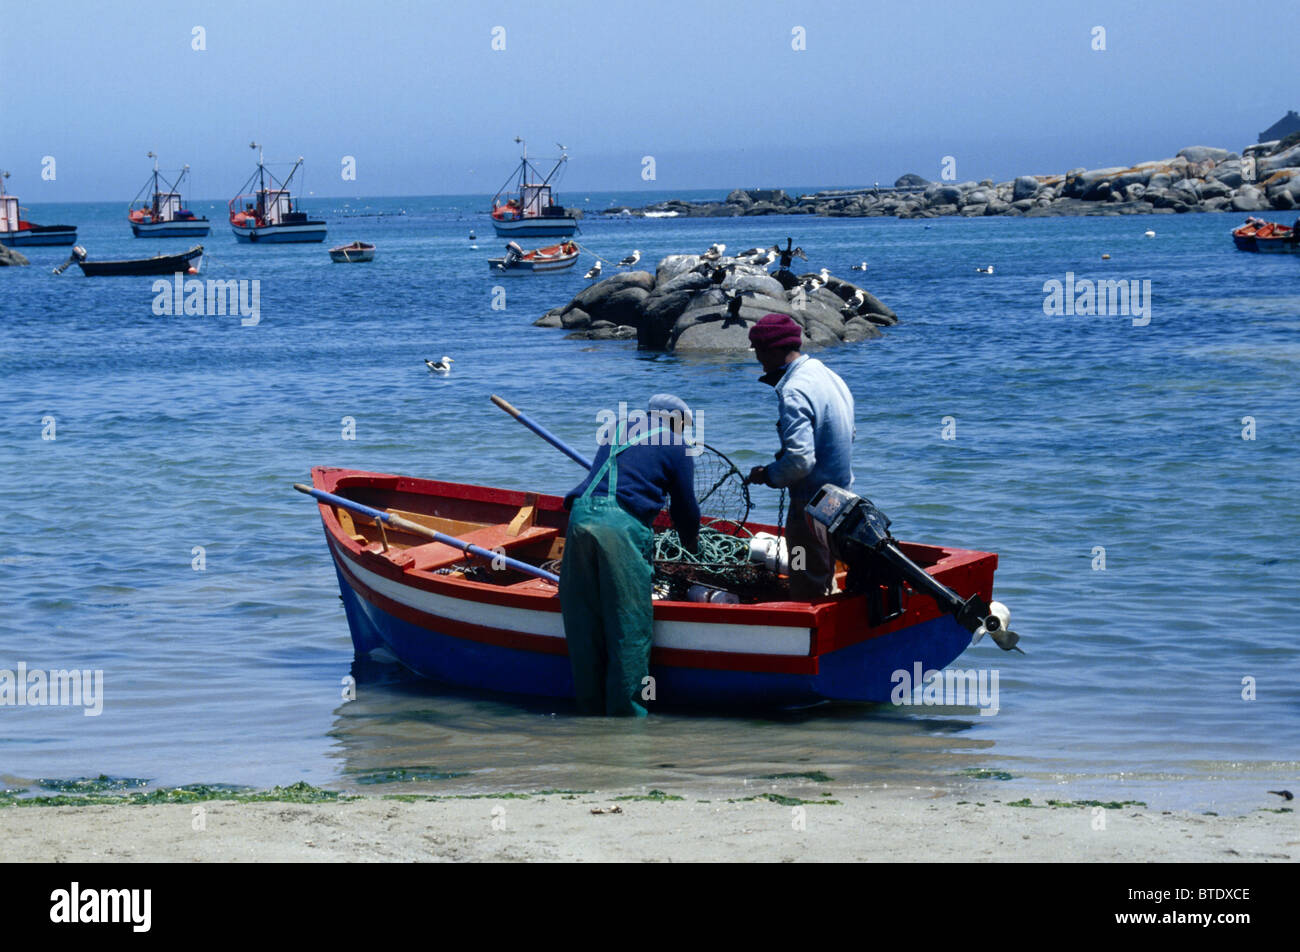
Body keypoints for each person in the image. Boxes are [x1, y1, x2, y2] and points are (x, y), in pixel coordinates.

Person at [560, 394, 700, 716]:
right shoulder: (678, 446)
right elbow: (685, 510)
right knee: (629, 627)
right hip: (619, 529)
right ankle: (625, 724)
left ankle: (588, 715)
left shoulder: (616, 428)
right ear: (676, 422)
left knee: (584, 624)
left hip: (580, 520)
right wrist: (691, 546)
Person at [745, 313, 856, 599]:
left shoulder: (794, 390)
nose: (759, 360)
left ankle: (808, 622)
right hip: (840, 498)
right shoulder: (827, 375)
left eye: (759, 352)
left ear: (773, 349)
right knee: (824, 568)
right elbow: (848, 434)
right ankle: (829, 605)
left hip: (809, 504)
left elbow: (800, 460)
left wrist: (769, 475)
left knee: (802, 571)